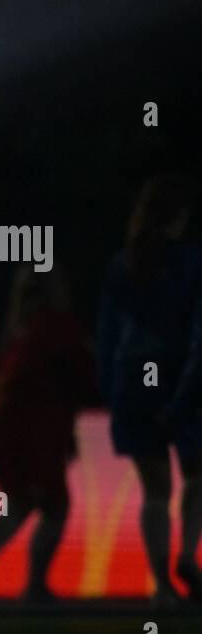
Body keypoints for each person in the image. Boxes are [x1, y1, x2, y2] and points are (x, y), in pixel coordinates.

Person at [98, 174, 202, 606]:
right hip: (179, 381)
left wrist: (113, 391)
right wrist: (183, 397)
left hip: (132, 385)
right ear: (180, 217)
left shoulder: (123, 263)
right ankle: (187, 556)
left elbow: (106, 338)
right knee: (197, 474)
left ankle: (161, 585)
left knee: (154, 491)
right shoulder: (192, 262)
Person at [0, 271, 97, 602]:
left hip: (12, 433)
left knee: (26, 505)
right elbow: (82, 376)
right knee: (41, 506)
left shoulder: (17, 329)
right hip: (29, 434)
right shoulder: (56, 329)